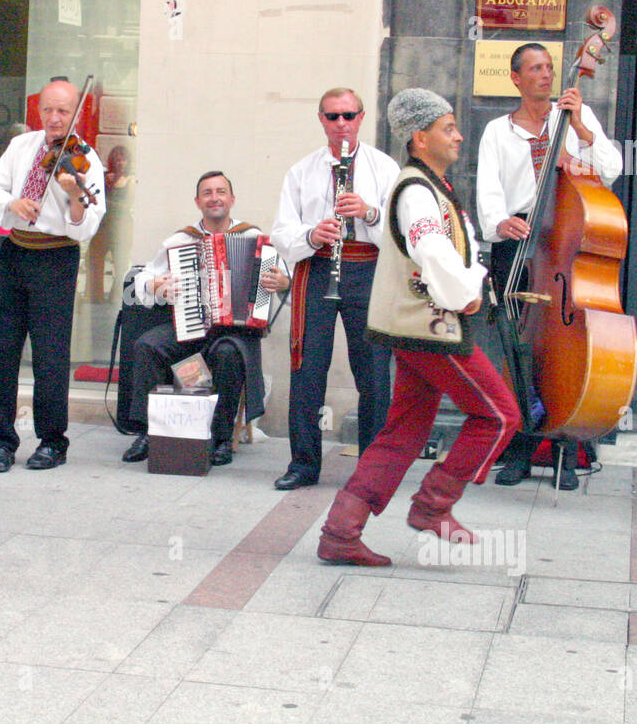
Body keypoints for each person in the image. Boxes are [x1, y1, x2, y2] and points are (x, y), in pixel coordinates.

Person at [317, 88, 521, 565]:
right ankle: (433, 507)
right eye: (448, 129)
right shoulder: (416, 191)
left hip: (415, 329)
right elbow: (432, 252)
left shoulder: (427, 187)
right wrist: (467, 294)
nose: (458, 136)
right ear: (419, 137)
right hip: (431, 329)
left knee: (403, 433)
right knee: (499, 415)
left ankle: (340, 532)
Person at [475, 42, 624, 491]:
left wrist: (580, 128)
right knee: (519, 348)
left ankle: (566, 451)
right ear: (516, 79)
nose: (545, 75)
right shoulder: (498, 131)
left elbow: (612, 170)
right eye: (535, 68)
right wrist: (499, 223)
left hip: (564, 244)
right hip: (519, 243)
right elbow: (488, 189)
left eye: (549, 68)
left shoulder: (576, 117)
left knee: (565, 347)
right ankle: (520, 447)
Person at [269, 87, 396, 491]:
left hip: (369, 269)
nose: (341, 124)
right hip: (317, 269)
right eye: (332, 117)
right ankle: (304, 464)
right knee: (307, 367)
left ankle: (373, 470)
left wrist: (369, 212)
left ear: (361, 118)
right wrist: (314, 233)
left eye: (348, 115)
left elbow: (401, 229)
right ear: (321, 120)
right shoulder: (301, 171)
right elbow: (282, 235)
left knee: (373, 370)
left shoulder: (384, 167)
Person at [0, 78, 106, 472]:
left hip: (55, 258)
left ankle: (53, 441)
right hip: (16, 251)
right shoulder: (21, 146)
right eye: (48, 110)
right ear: (39, 110)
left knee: (51, 355)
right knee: (6, 352)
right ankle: (2, 442)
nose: (54, 118)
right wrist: (11, 202)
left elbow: (87, 225)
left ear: (76, 114)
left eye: (63, 111)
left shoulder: (86, 159)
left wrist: (72, 196)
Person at [121, 170, 290, 466]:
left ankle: (221, 438)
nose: (215, 198)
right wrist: (155, 284)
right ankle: (151, 432)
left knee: (227, 354)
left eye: (221, 191)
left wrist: (282, 283)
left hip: (234, 332)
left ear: (232, 199)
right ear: (198, 201)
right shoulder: (181, 239)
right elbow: (144, 277)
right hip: (191, 325)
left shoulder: (253, 237)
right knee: (147, 345)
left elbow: (284, 276)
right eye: (208, 193)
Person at [86, 144, 135, 304]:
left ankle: (116, 297)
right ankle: (95, 297)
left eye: (124, 160)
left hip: (122, 224)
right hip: (103, 225)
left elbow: (130, 202)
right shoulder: (103, 176)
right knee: (94, 259)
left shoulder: (131, 180)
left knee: (121, 264)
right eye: (118, 159)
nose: (121, 163)